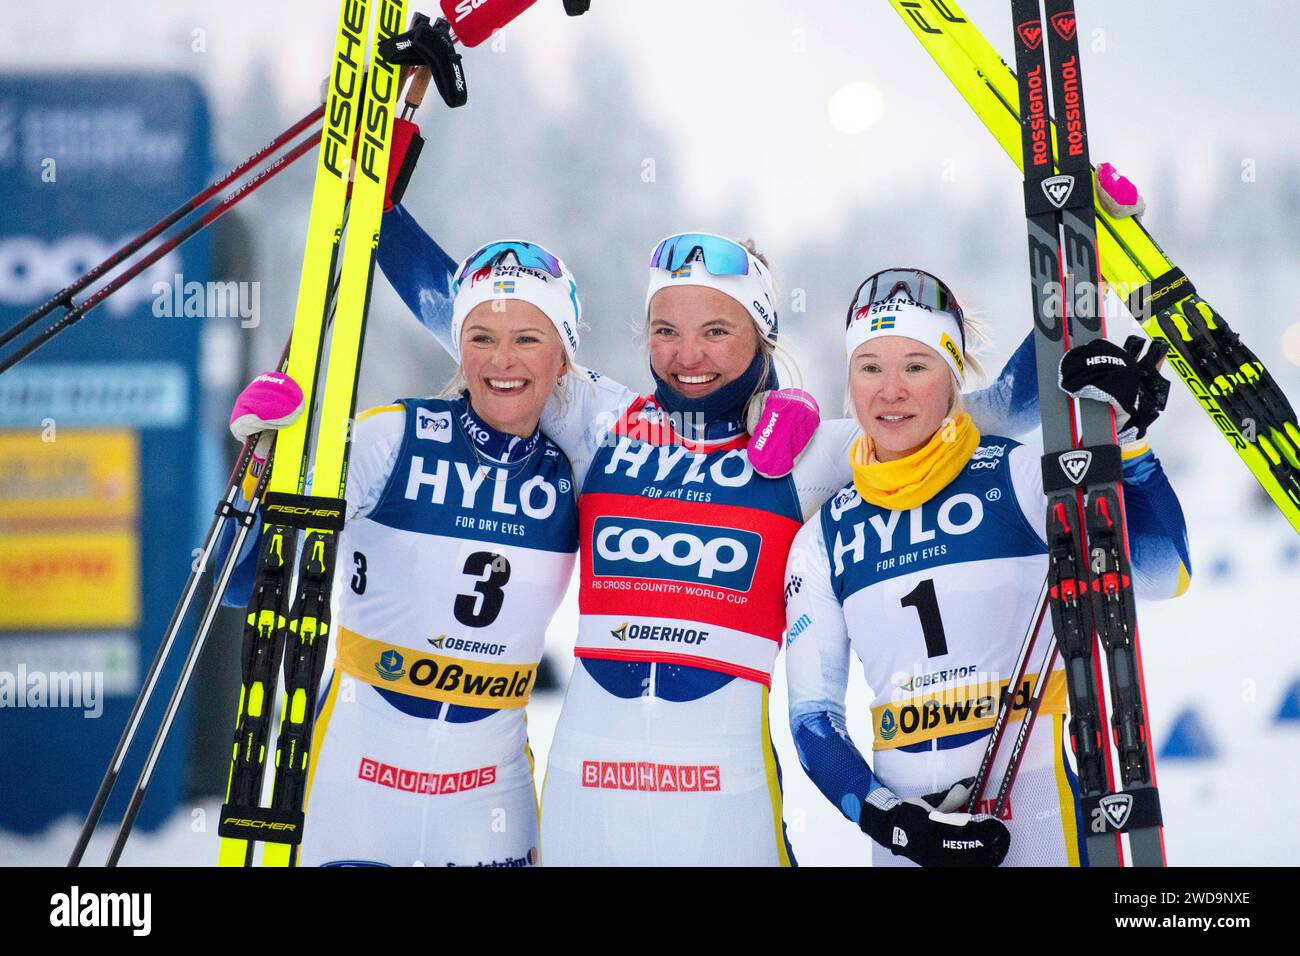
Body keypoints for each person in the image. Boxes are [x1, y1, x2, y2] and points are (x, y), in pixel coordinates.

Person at [377, 213, 1043, 865]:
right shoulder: (598, 426)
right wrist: (380, 200)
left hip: (728, 807)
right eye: (666, 330)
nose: (686, 355)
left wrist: (1082, 273)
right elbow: (484, 329)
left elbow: (986, 409)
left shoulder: (808, 454)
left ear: (762, 334)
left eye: (716, 331)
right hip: (587, 802)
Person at [782, 268, 1191, 867]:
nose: (890, 390)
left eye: (916, 366)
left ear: (954, 377)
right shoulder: (823, 536)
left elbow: (1163, 574)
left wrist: (1127, 446)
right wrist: (897, 824)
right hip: (905, 842)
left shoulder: (1019, 475)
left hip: (1043, 811)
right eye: (870, 366)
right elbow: (812, 719)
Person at [220, 240, 582, 867]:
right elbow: (244, 582)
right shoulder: (393, 437)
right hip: (357, 779)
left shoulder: (579, 468)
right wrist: (257, 469)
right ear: (457, 346)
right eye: (480, 337)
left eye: (528, 338)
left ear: (563, 357)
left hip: (488, 792)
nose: (502, 361)